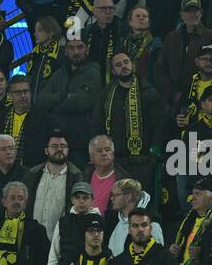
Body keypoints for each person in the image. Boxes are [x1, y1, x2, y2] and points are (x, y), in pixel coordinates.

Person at [34, 37, 103, 166]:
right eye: (71, 48)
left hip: (81, 142)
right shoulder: (59, 73)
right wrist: (64, 96)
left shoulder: (93, 73)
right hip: (58, 140)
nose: (76, 51)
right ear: (65, 51)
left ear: (87, 50)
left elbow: (80, 103)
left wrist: (53, 106)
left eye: (80, 47)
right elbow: (40, 100)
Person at [103, 50, 162, 176]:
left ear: (133, 65)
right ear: (113, 71)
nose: (124, 66)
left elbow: (159, 124)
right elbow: (98, 122)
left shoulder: (149, 91)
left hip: (144, 160)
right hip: (116, 160)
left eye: (126, 62)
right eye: (118, 65)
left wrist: (153, 153)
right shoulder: (107, 94)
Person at [25, 130, 84, 241]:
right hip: (32, 241)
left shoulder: (76, 177)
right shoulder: (31, 175)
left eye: (63, 146)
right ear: (46, 150)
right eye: (54, 146)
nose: (59, 149)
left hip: (60, 242)